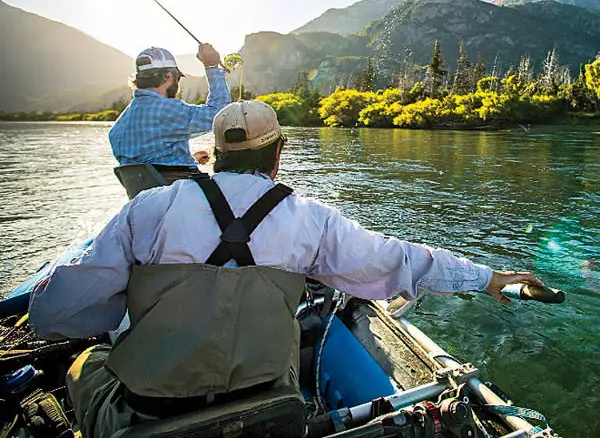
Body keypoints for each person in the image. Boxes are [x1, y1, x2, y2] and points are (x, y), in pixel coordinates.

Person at [29, 101, 542, 438]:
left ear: (213, 156)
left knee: (87, 362)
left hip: (149, 418)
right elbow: (401, 260)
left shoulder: (149, 209)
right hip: (272, 411)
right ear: (278, 156)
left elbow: (54, 314)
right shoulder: (309, 221)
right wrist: (490, 278)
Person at [108, 44, 230, 184]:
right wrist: (212, 67)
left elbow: (152, 172)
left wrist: (192, 159)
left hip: (147, 203)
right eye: (178, 78)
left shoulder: (117, 128)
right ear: (168, 76)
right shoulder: (167, 110)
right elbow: (221, 114)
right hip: (181, 200)